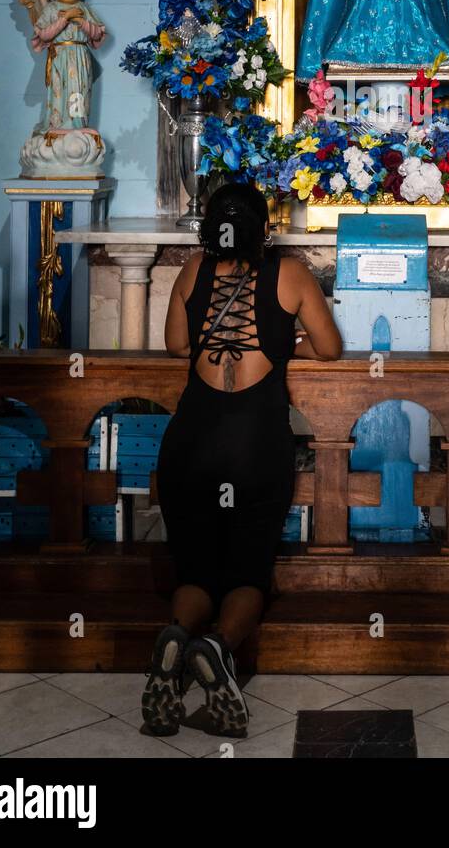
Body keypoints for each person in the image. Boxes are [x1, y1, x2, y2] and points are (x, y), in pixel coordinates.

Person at [142, 182, 342, 738]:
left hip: (192, 440)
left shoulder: (192, 271)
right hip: (255, 443)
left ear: (211, 230)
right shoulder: (291, 273)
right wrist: (283, 345)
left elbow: (176, 346)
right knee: (249, 568)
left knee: (196, 566)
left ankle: (178, 637)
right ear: (264, 229)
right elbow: (329, 348)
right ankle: (217, 646)